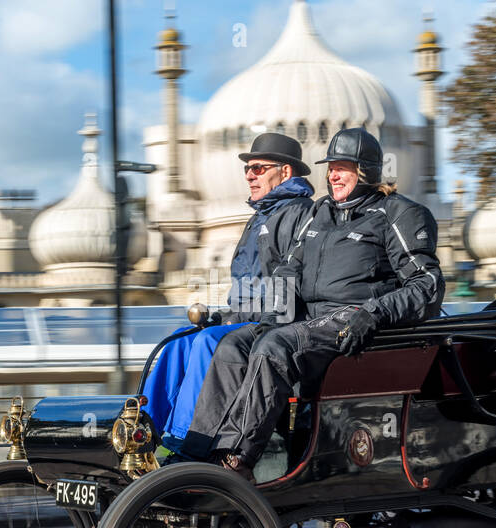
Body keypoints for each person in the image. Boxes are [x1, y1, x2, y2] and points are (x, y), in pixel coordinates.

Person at [178, 127, 445, 481]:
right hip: (309, 323)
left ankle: (234, 461)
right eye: (330, 167)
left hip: (355, 324)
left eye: (343, 167)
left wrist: (373, 313)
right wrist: (270, 315)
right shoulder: (321, 214)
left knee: (275, 346)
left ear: (366, 170)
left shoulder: (397, 214)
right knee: (234, 344)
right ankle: (195, 455)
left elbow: (427, 284)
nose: (332, 175)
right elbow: (290, 268)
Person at [143, 132, 314, 448]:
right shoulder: (260, 217)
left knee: (209, 340)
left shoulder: (299, 214)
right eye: (247, 169)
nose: (249, 175)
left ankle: (187, 440)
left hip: (273, 325)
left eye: (259, 168)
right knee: (180, 341)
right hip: (243, 317)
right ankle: (143, 431)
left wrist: (230, 315)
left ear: (286, 171)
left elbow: (285, 292)